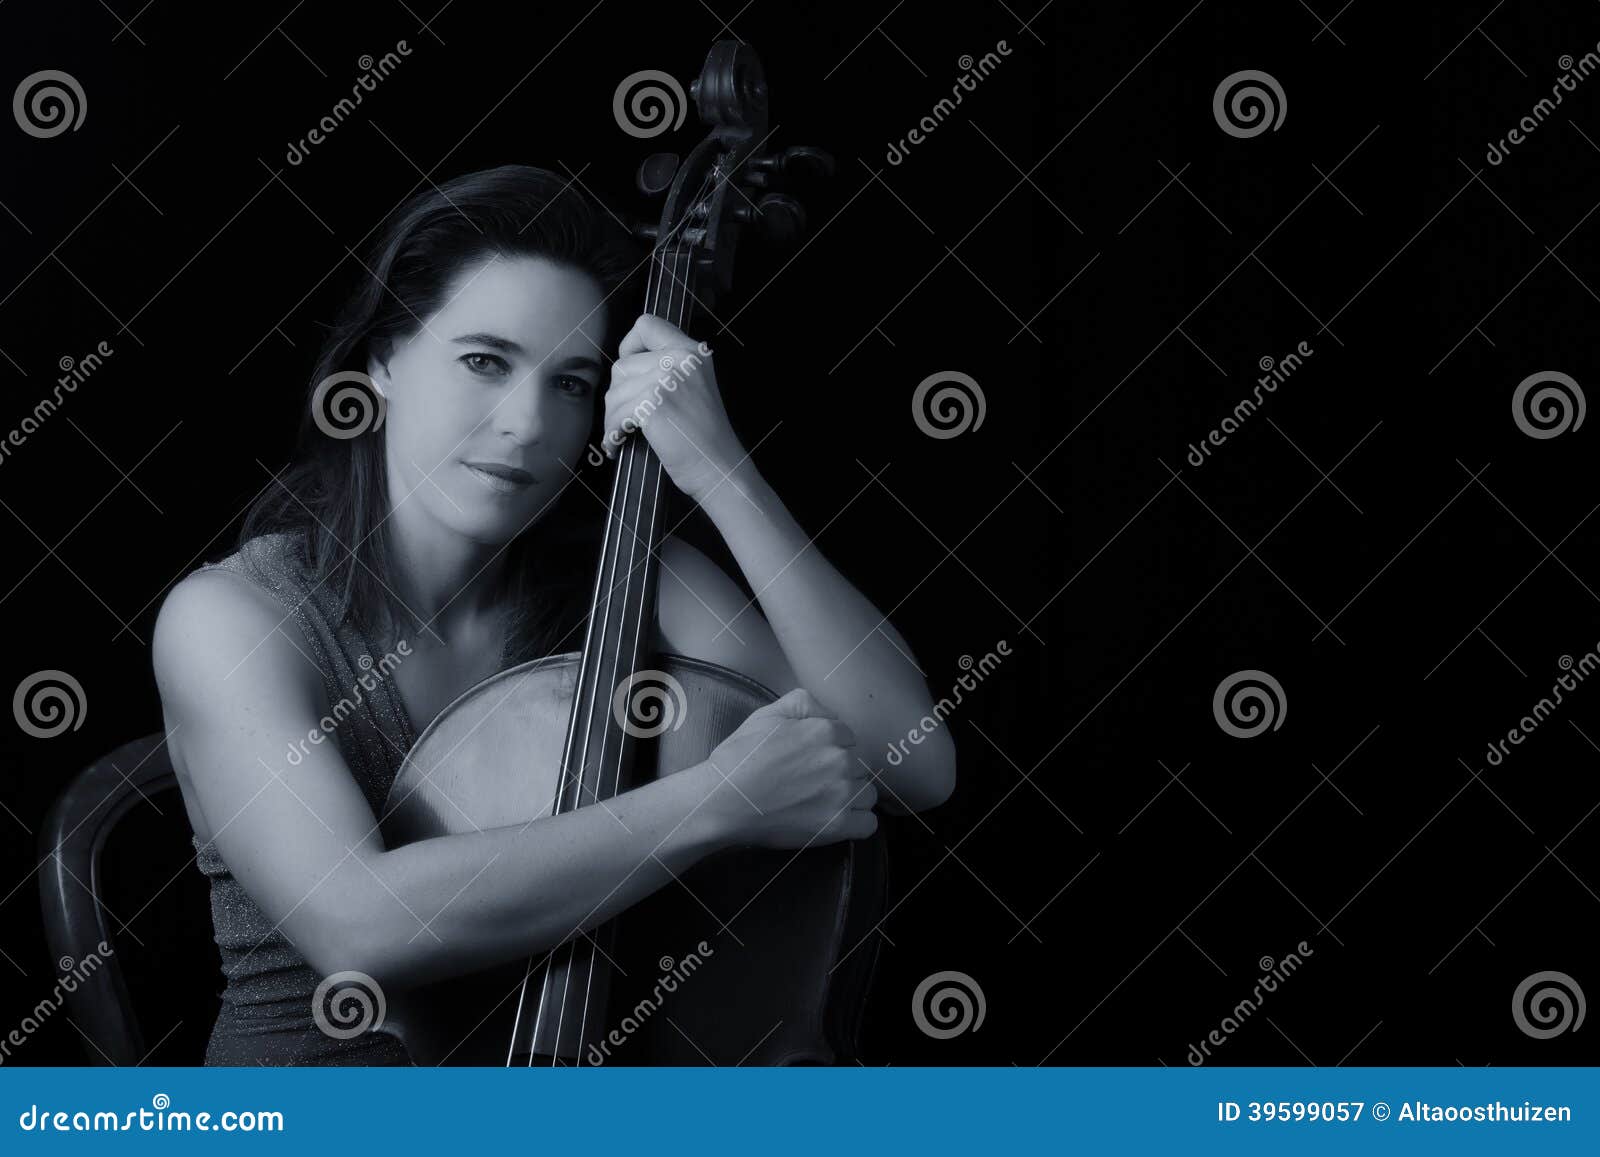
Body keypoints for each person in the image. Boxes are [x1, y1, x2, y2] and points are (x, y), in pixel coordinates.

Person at [151, 164, 956, 1065]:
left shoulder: (625, 577)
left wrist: (720, 468)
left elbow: (914, 765)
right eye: (484, 361)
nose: (528, 423)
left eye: (572, 382)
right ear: (380, 363)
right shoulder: (232, 617)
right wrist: (718, 800)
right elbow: (359, 925)